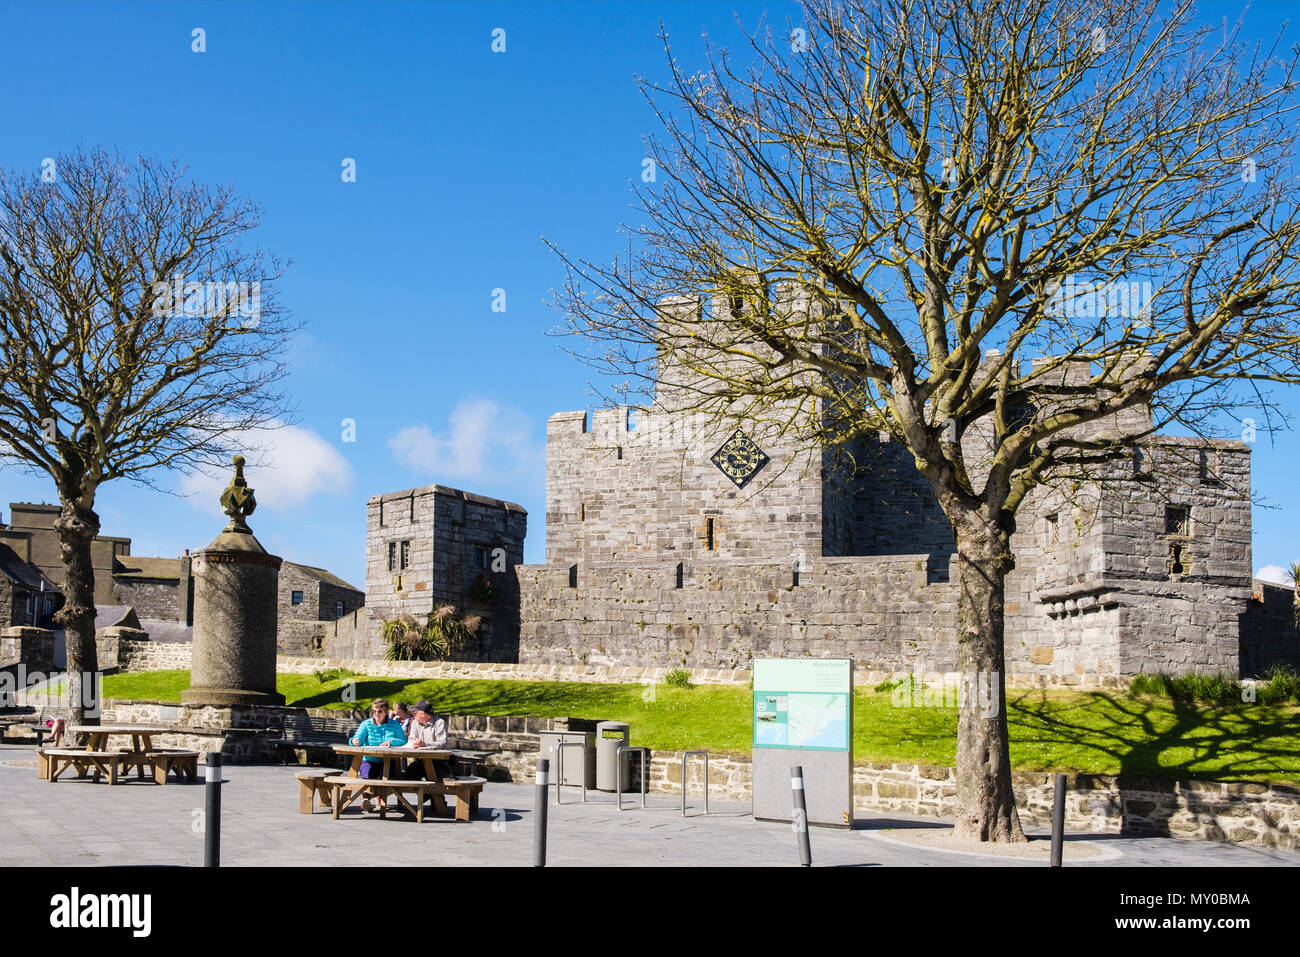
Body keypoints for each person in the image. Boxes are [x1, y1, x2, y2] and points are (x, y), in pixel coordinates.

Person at [350, 698, 406, 812]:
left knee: (385, 776)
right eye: (374, 711)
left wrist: (391, 742)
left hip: (388, 760)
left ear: (386, 712)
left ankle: (376, 799)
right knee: (367, 773)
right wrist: (354, 741)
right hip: (370, 758)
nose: (376, 714)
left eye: (379, 711)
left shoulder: (394, 724)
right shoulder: (366, 724)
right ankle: (366, 800)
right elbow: (357, 738)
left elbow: (403, 740)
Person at [402, 699, 451, 805]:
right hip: (421, 760)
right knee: (408, 774)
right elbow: (411, 738)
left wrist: (425, 744)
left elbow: (442, 743)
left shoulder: (439, 723)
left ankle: (436, 801)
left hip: (439, 762)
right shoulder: (415, 723)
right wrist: (413, 743)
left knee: (433, 777)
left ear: (422, 714)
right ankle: (427, 794)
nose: (413, 715)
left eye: (415, 713)